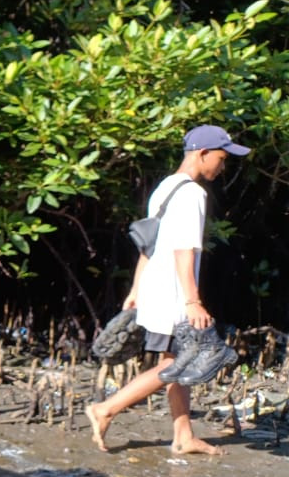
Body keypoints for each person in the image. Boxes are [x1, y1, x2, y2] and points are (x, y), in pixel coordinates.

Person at [85, 124, 249, 456]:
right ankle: (105, 409)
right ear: (203, 154)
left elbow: (149, 245)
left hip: (156, 288)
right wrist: (192, 301)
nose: (223, 165)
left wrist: (136, 288)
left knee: (175, 358)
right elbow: (183, 249)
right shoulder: (192, 193)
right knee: (176, 363)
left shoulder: (165, 188)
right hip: (174, 295)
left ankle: (183, 435)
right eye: (221, 158)